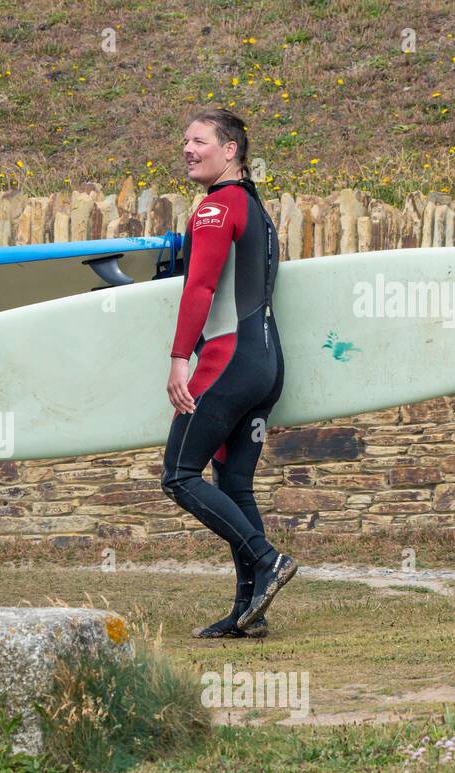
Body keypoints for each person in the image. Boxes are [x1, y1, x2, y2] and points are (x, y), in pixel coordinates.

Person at [161, 110, 297, 638]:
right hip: (266, 363)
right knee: (234, 483)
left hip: (229, 360)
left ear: (230, 151)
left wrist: (179, 359)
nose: (188, 149)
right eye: (185, 140)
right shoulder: (257, 210)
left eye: (198, 141)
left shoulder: (217, 208)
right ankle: (248, 612)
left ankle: (268, 560)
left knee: (178, 474)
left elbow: (200, 289)